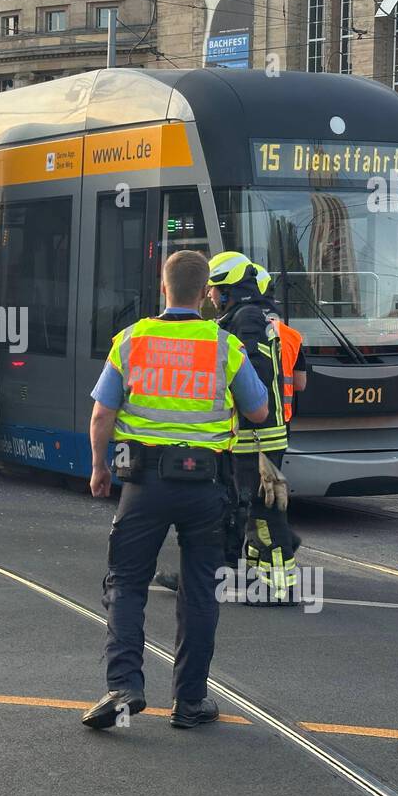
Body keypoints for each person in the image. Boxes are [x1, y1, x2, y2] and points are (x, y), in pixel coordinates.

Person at [82, 250, 269, 731]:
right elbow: (257, 413)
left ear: (163, 287)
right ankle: (190, 705)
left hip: (143, 485)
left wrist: (100, 468)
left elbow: (102, 414)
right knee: (200, 591)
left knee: (125, 582)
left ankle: (124, 687)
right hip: (206, 486)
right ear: (206, 292)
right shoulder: (223, 344)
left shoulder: (131, 339)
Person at [153, 255, 307, 606]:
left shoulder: (247, 319)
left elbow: (253, 375)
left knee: (265, 513)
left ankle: (278, 588)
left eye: (215, 290)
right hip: (261, 434)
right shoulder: (259, 316)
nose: (209, 296)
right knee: (254, 510)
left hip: (256, 436)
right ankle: (258, 581)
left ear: (229, 290)